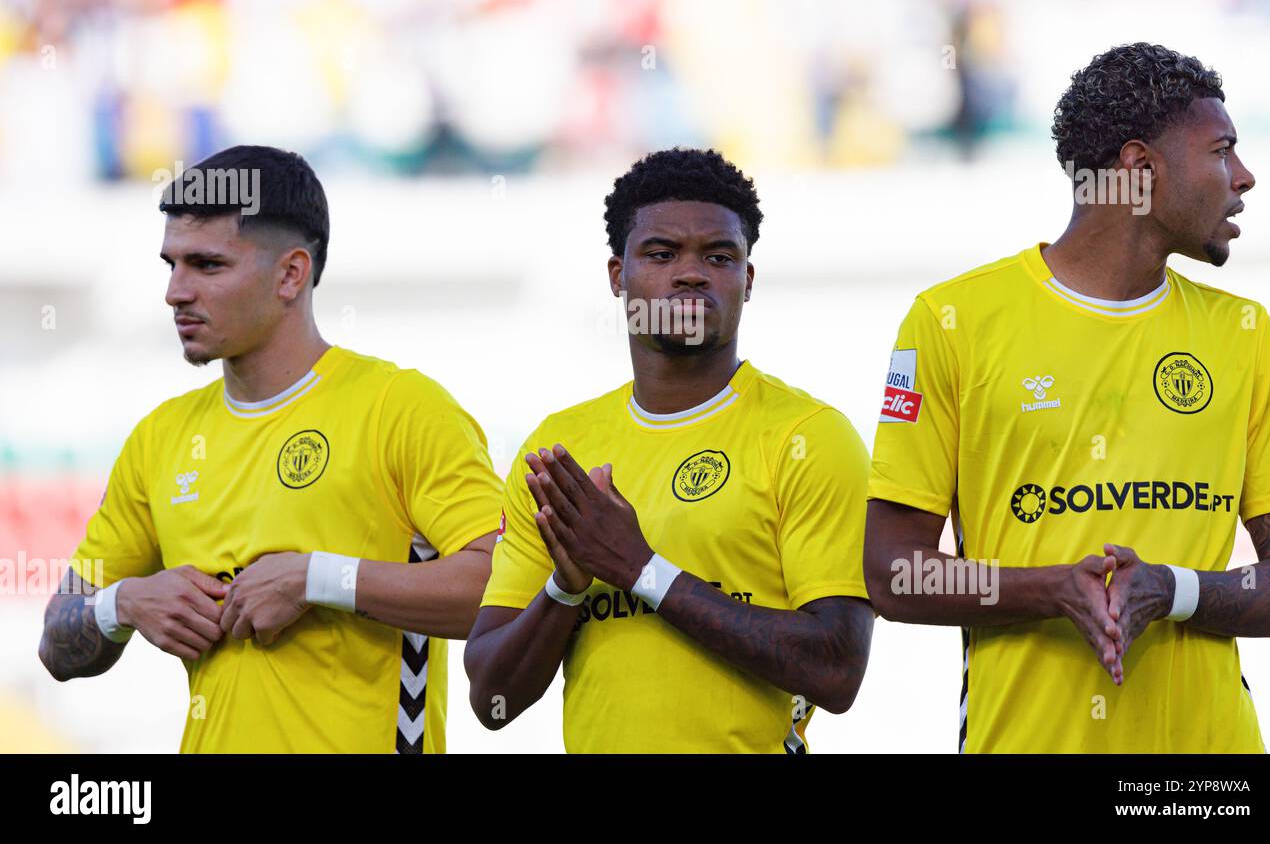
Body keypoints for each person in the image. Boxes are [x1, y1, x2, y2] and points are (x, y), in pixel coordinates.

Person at [864, 43, 1270, 752]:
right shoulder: (951, 322)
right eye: (1222, 151)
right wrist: (1052, 589)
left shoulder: (1244, 334)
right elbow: (891, 573)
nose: (1244, 177)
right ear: (1138, 168)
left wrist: (1175, 589)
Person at [38, 145, 501, 753]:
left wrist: (318, 579)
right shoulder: (160, 438)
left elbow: (504, 587)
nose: (175, 292)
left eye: (207, 265)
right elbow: (57, 641)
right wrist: (123, 603)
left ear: (291, 274)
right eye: (171, 264)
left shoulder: (400, 407)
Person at [464, 148, 873, 752]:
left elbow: (837, 672)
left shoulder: (809, 436)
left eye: (719, 256)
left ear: (747, 281)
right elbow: (491, 700)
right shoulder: (558, 450)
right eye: (661, 254)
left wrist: (640, 569)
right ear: (616, 276)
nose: (691, 273)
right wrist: (567, 586)